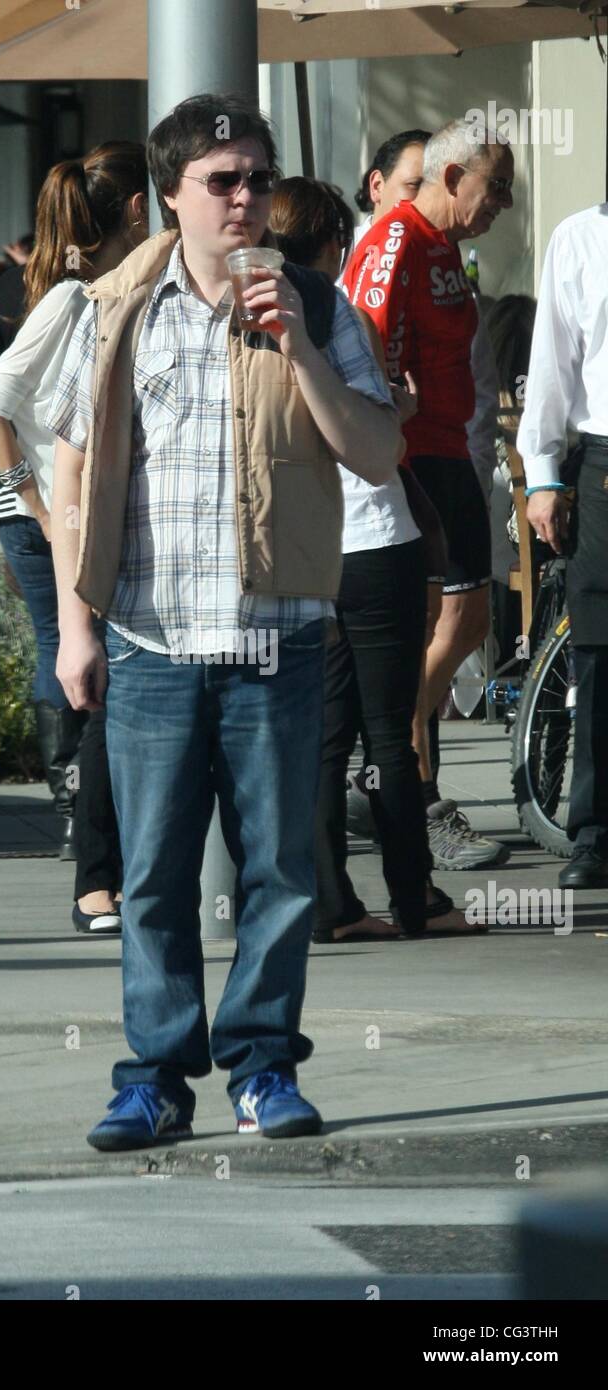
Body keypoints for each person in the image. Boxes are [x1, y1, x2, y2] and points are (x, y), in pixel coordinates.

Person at [47, 93, 403, 1151]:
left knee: (282, 873)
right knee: (151, 876)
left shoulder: (319, 305)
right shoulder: (115, 306)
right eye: (222, 181)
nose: (246, 198)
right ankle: (154, 1077)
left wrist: (296, 345)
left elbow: (378, 452)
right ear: (173, 194)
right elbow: (69, 470)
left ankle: (260, 1067)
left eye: (256, 177)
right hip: (152, 643)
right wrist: (77, 627)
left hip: (278, 640)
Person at [0, 145, 147, 934]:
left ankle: (109, 874)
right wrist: (34, 500)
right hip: (60, 526)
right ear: (138, 209)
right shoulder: (73, 298)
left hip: (82, 523)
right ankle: (96, 881)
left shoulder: (99, 292)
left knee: (116, 695)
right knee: (103, 695)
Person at [271, 176, 472, 939]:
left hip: (308, 549)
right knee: (391, 731)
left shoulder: (249, 320)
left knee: (323, 736)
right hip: (376, 539)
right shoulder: (336, 313)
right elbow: (375, 435)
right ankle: (413, 895)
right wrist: (401, 404)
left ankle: (331, 904)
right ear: (330, 245)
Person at [344, 117, 514, 871]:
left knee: (471, 620)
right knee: (433, 623)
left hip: (452, 450)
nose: (504, 203)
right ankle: (404, 777)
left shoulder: (447, 247)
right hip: (412, 455)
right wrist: (387, 415)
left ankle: (397, 733)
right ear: (453, 177)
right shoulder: (397, 238)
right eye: (497, 187)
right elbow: (360, 331)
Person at [518, 205, 608, 888]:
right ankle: (596, 831)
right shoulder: (581, 236)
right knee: (600, 648)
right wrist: (543, 474)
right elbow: (552, 360)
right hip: (604, 455)